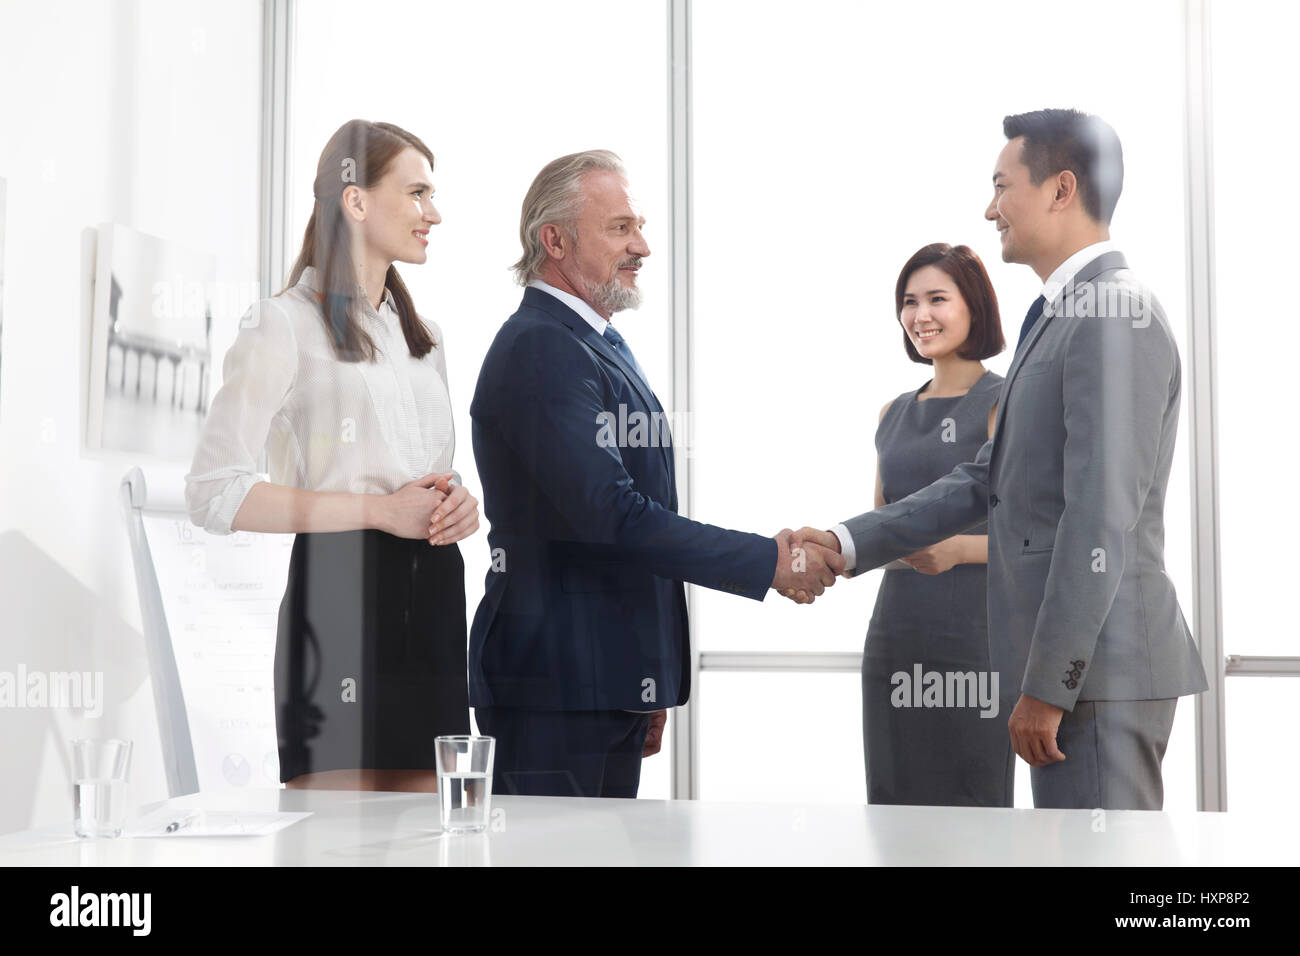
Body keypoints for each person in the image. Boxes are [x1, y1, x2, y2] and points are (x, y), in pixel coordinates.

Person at [792, 109, 1207, 810]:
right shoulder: (1058, 315)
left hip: (1094, 676)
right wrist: (847, 540)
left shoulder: (1111, 315)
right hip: (1076, 678)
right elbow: (987, 476)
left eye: (1001, 185)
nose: (990, 209)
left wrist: (1049, 684)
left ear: (1060, 190)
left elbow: (1100, 518)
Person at [468, 149, 842, 798]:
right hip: (554, 685)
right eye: (619, 227)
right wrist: (767, 561)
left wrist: (647, 676)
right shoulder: (540, 347)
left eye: (638, 225)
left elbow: (633, 515)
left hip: (606, 679)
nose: (641, 244)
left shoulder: (599, 342)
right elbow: (612, 515)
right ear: (554, 240)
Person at [185, 119, 480, 792]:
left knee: (429, 842)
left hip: (435, 598)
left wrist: (458, 502)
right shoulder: (282, 325)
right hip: (341, 600)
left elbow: (425, 471)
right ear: (356, 200)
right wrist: (379, 510)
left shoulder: (425, 338)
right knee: (333, 845)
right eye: (416, 193)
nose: (433, 213)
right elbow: (215, 491)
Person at [859, 242, 1012, 806]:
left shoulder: (1004, 402)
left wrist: (956, 551)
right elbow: (883, 525)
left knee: (973, 801)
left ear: (973, 305)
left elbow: (1033, 535)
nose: (920, 315)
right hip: (896, 634)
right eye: (909, 301)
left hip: (975, 636)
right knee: (893, 798)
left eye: (937, 299)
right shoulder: (891, 413)